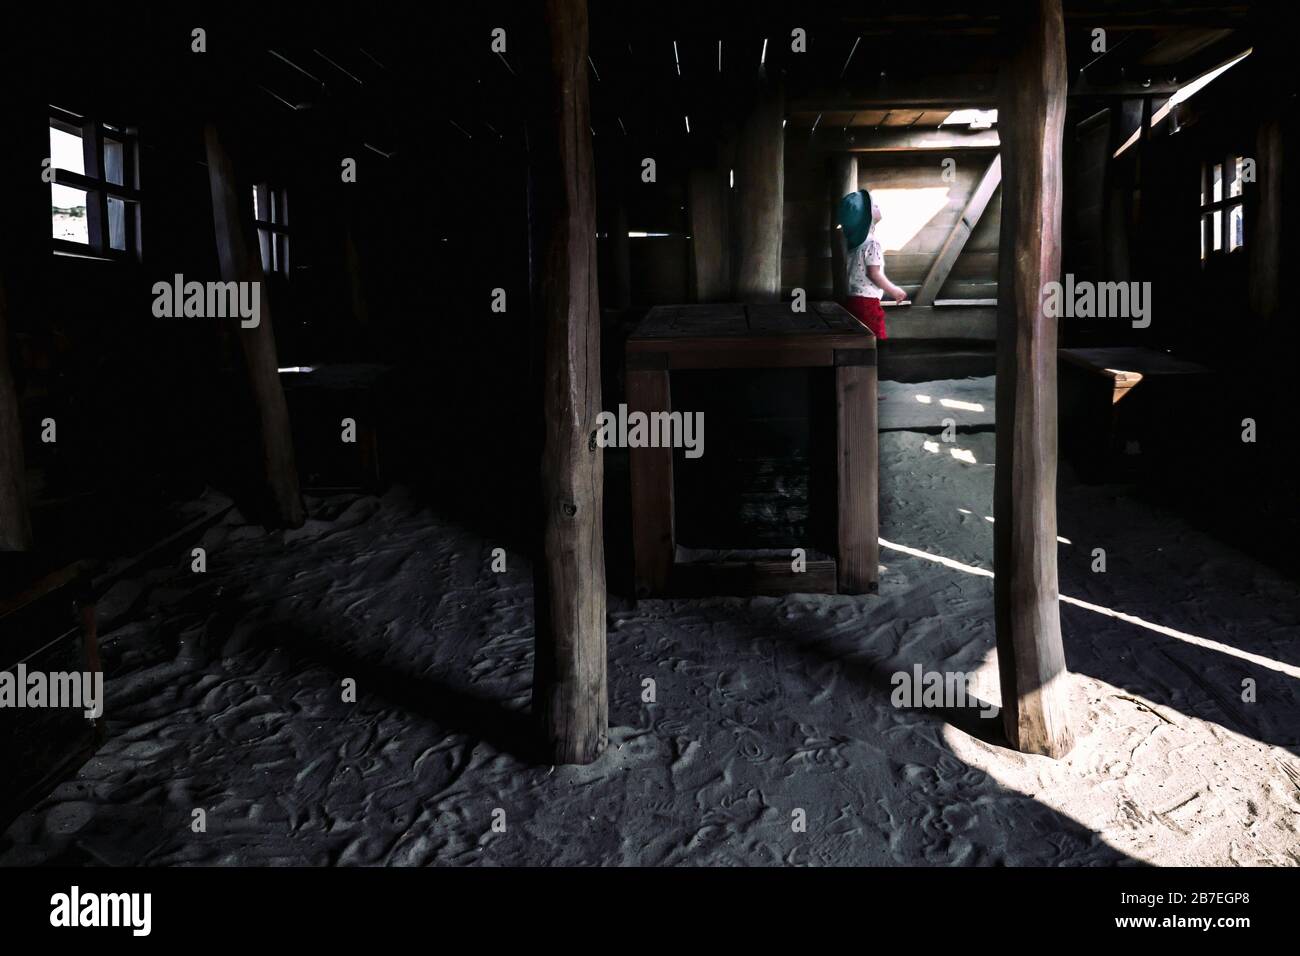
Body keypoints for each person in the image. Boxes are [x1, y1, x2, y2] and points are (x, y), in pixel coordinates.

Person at [838, 187, 908, 339]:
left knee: (858, 339)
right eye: (874, 206)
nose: (878, 207)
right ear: (866, 217)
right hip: (867, 303)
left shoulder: (855, 245)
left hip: (853, 299)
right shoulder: (872, 244)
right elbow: (873, 273)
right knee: (874, 339)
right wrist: (894, 290)